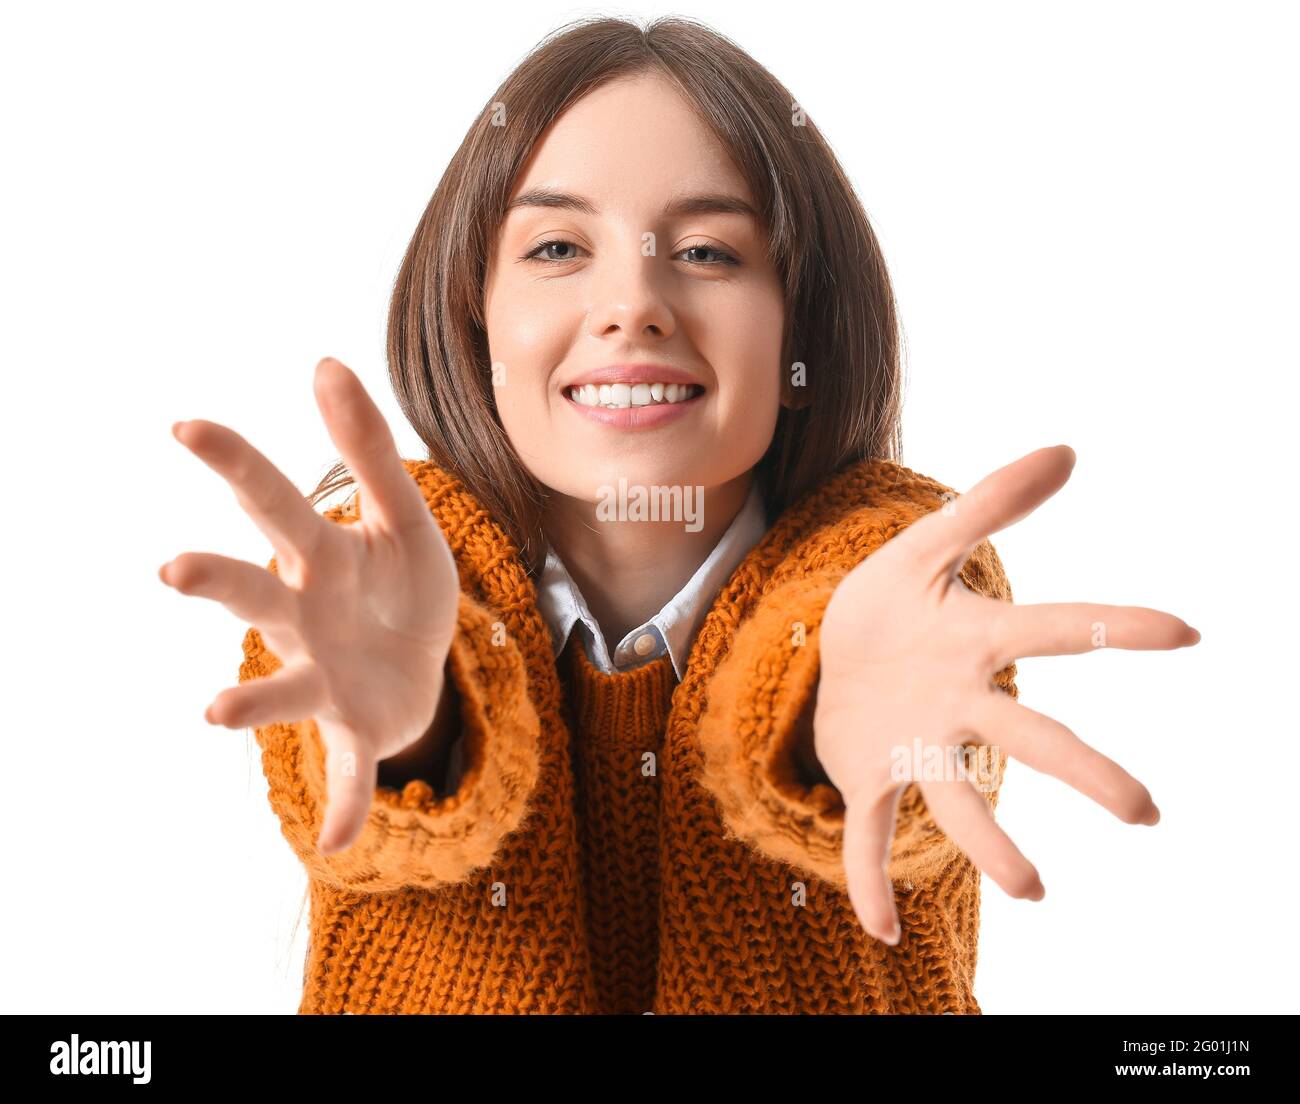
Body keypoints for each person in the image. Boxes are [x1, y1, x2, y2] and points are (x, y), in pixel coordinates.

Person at [158, 16, 1199, 1014]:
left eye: (707, 252)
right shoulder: (367, 572)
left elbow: (900, 721)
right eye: (558, 249)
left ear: (803, 336)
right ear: (474, 325)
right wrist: (415, 730)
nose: (633, 304)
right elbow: (373, 783)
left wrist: (844, 736)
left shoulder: (898, 571)